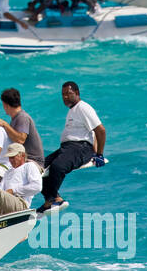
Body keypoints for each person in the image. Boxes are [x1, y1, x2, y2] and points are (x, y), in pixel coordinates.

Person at [38, 80, 106, 213]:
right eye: (63, 94)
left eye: (68, 94)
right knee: (37, 168)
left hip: (80, 148)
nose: (65, 97)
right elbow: (92, 132)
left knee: (58, 167)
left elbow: (100, 130)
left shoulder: (83, 107)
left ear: (77, 93)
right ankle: (54, 199)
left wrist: (99, 154)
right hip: (67, 148)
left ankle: (51, 201)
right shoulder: (73, 110)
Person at [0, 88, 45, 168]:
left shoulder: (22, 117)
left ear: (6, 105)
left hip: (32, 161)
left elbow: (20, 139)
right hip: (22, 159)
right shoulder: (15, 119)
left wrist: (5, 124)